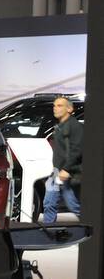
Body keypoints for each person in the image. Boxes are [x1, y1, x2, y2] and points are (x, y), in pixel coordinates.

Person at [42, 96, 83, 225]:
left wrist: (66, 169)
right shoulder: (60, 126)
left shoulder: (75, 126)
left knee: (74, 205)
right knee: (49, 203)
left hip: (68, 172)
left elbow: (77, 150)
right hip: (57, 172)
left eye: (59, 105)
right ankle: (48, 231)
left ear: (69, 109)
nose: (55, 108)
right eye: (54, 105)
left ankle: (93, 228)